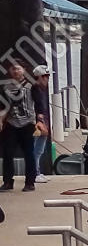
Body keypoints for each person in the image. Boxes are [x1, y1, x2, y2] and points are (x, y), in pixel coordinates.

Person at [0, 63, 38, 192]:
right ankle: (8, 181)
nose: (16, 71)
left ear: (24, 70)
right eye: (13, 69)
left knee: (29, 153)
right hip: (11, 123)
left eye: (18, 68)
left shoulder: (32, 86)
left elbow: (39, 103)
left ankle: (30, 182)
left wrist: (40, 120)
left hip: (27, 123)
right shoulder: (5, 87)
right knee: (7, 153)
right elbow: (4, 106)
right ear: (10, 71)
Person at [29, 64, 49, 183]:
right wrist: (40, 122)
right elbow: (35, 106)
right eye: (45, 76)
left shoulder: (40, 89)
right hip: (35, 122)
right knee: (35, 149)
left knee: (39, 149)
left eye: (47, 76)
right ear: (39, 77)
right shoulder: (34, 88)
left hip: (39, 120)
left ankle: (37, 171)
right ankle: (35, 173)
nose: (47, 78)